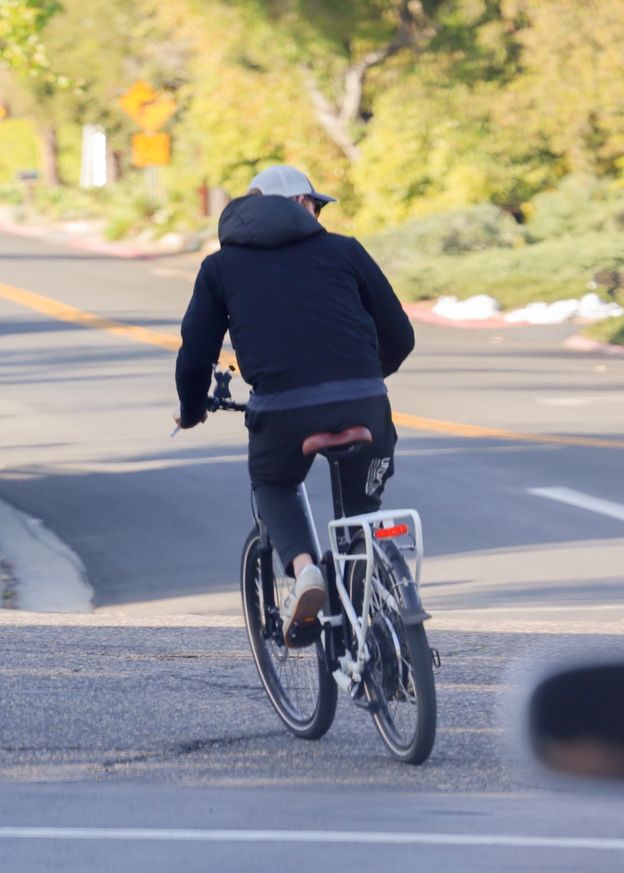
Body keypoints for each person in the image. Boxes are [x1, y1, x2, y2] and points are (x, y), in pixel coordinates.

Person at [175, 165, 414, 646]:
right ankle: (371, 611)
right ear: (301, 204)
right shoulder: (345, 250)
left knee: (273, 484)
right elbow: (400, 336)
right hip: (365, 403)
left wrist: (193, 409)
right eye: (316, 205)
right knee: (362, 513)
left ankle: (305, 571)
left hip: (284, 412)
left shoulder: (220, 267)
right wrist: (364, 380)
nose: (318, 216)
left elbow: (196, 354)